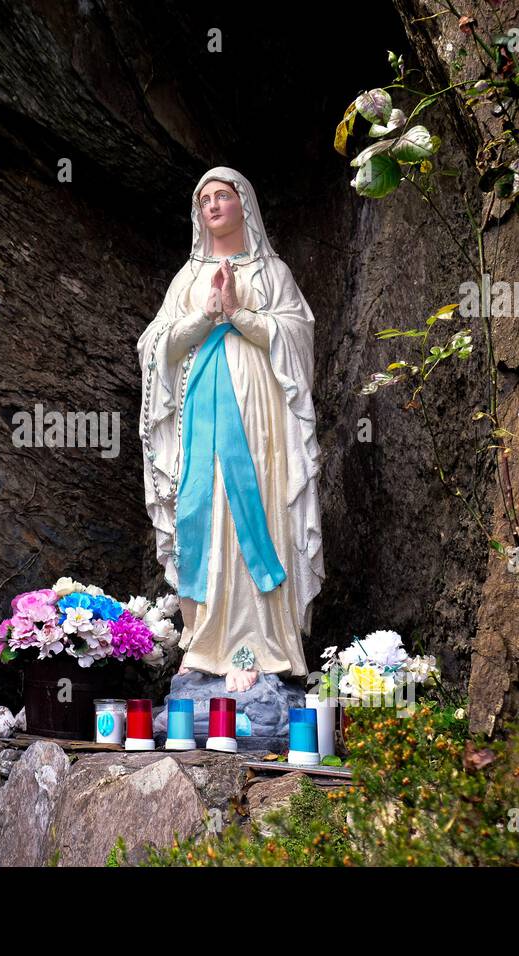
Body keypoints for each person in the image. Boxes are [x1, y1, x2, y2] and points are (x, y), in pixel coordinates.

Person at [137, 166, 324, 693]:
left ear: (245, 203)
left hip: (259, 410)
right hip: (199, 412)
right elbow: (153, 348)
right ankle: (207, 645)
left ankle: (264, 646)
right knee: (205, 509)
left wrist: (242, 314)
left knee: (259, 507)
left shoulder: (273, 273)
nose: (213, 205)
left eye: (223, 195)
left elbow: (298, 339)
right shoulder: (188, 277)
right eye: (204, 200)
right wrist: (204, 316)